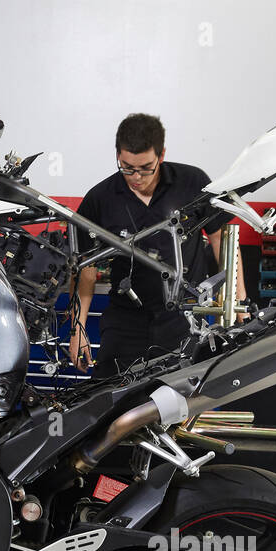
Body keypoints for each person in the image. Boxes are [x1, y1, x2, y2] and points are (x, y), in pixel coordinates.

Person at [69, 113, 246, 376]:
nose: (136, 177)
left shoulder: (193, 183)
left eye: (145, 168)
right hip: (125, 319)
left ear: (161, 155)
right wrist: (77, 330)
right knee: (111, 400)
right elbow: (85, 269)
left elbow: (222, 239)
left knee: (179, 403)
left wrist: (238, 302)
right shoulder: (100, 198)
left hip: (184, 318)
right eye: (127, 167)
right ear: (118, 155)